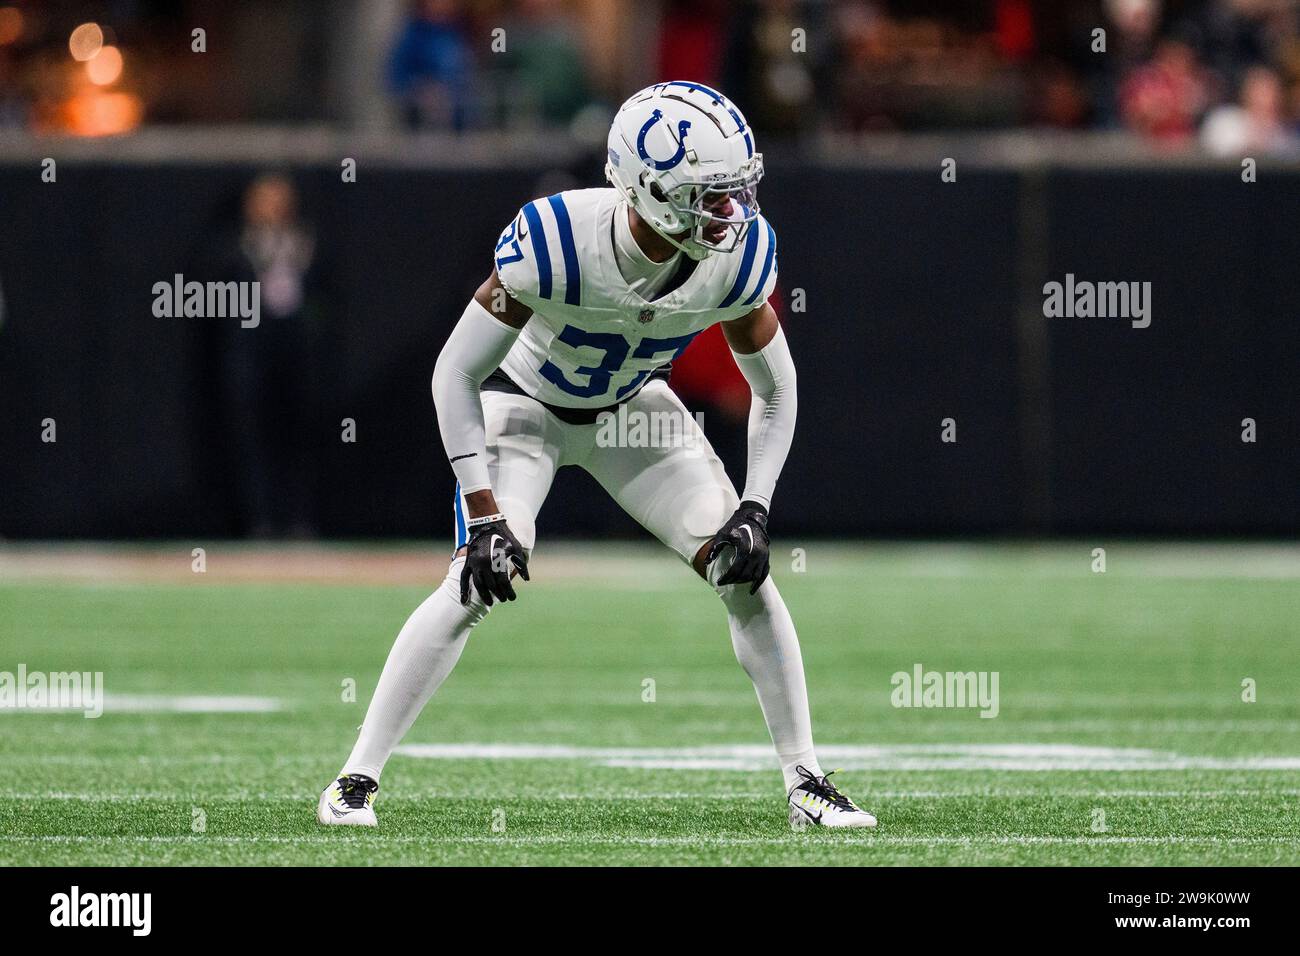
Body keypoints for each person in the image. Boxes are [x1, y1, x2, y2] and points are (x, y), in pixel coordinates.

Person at [317, 82, 876, 830]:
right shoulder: (557, 238)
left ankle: (807, 780)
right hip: (522, 411)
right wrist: (483, 512)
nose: (732, 214)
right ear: (651, 189)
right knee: (474, 581)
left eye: (735, 191)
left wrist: (756, 508)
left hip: (633, 415)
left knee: (744, 573)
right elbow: (456, 371)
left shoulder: (736, 259)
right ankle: (353, 780)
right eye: (711, 196)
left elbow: (777, 389)